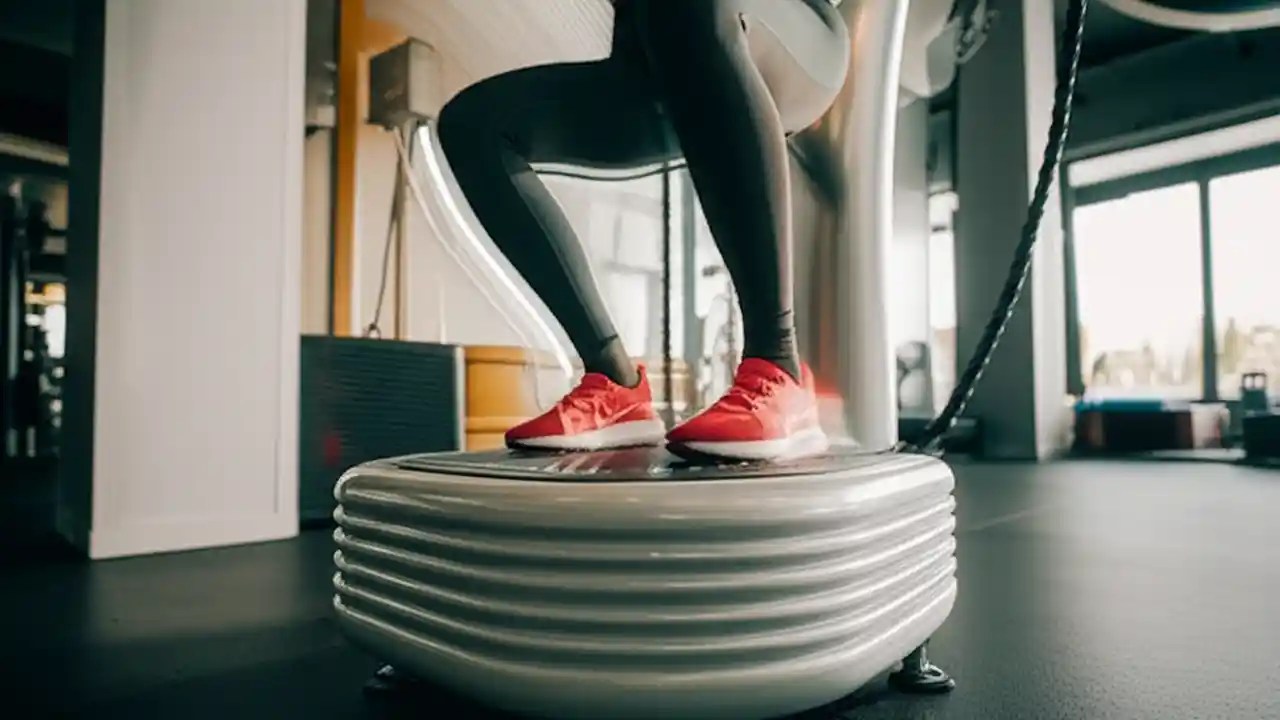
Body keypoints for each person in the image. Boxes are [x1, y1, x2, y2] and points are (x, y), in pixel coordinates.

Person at [437, 0, 850, 460]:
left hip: (796, 38)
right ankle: (615, 384)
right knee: (474, 125)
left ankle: (778, 364)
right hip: (659, 58)